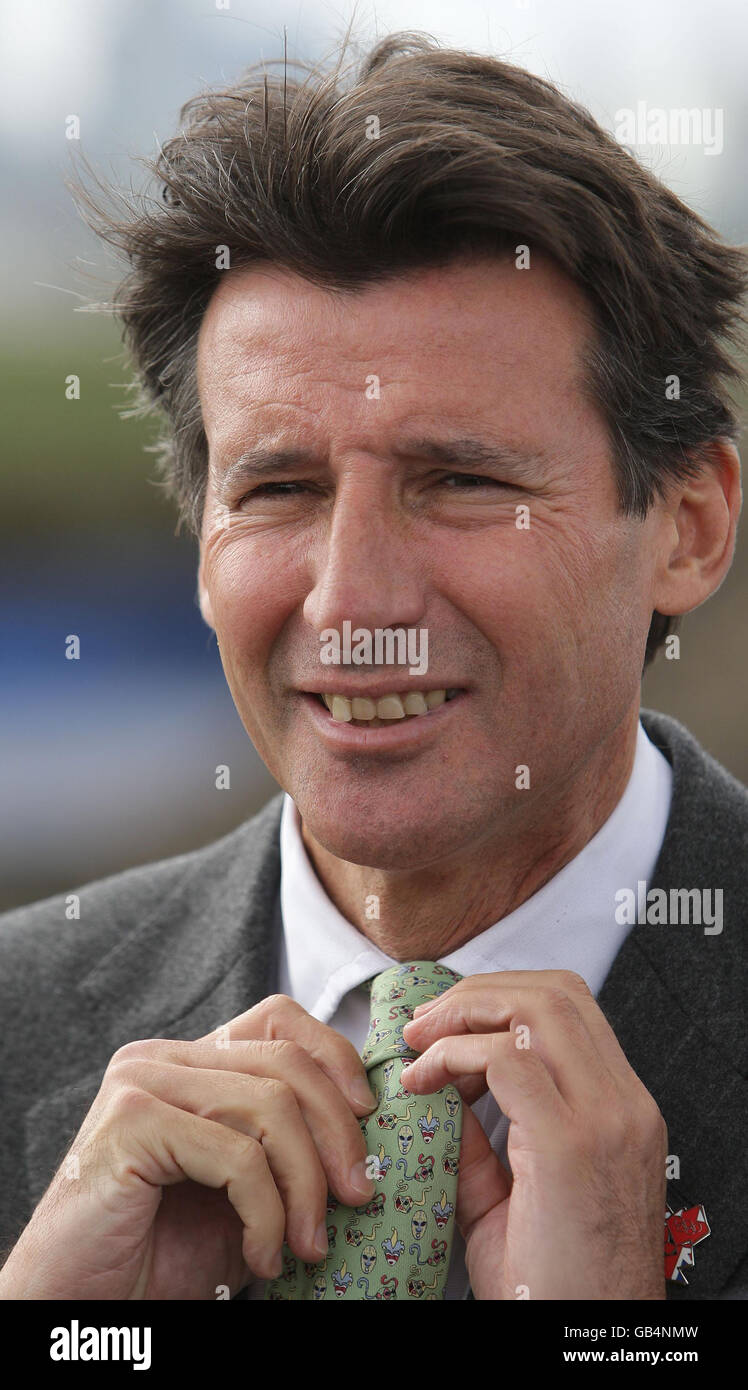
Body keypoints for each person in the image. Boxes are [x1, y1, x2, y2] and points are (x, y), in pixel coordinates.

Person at [0, 31, 746, 1302]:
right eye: (278, 490)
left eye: (460, 482)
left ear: (687, 528)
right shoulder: (24, 1022)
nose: (350, 602)